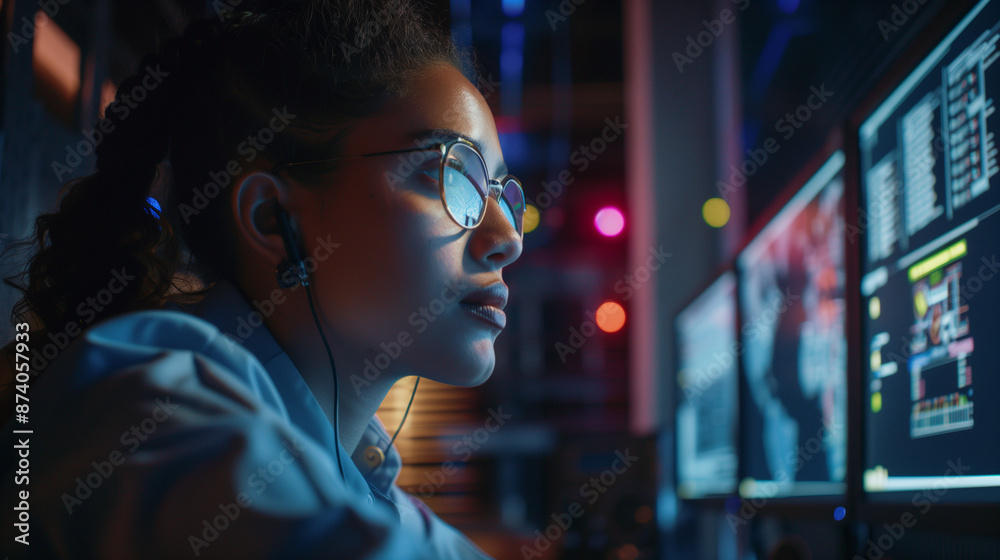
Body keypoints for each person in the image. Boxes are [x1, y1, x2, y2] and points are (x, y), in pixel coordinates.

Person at [0, 0, 524, 558]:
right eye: (455, 175)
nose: (508, 237)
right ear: (271, 219)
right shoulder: (145, 401)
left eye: (501, 192)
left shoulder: (356, 479)